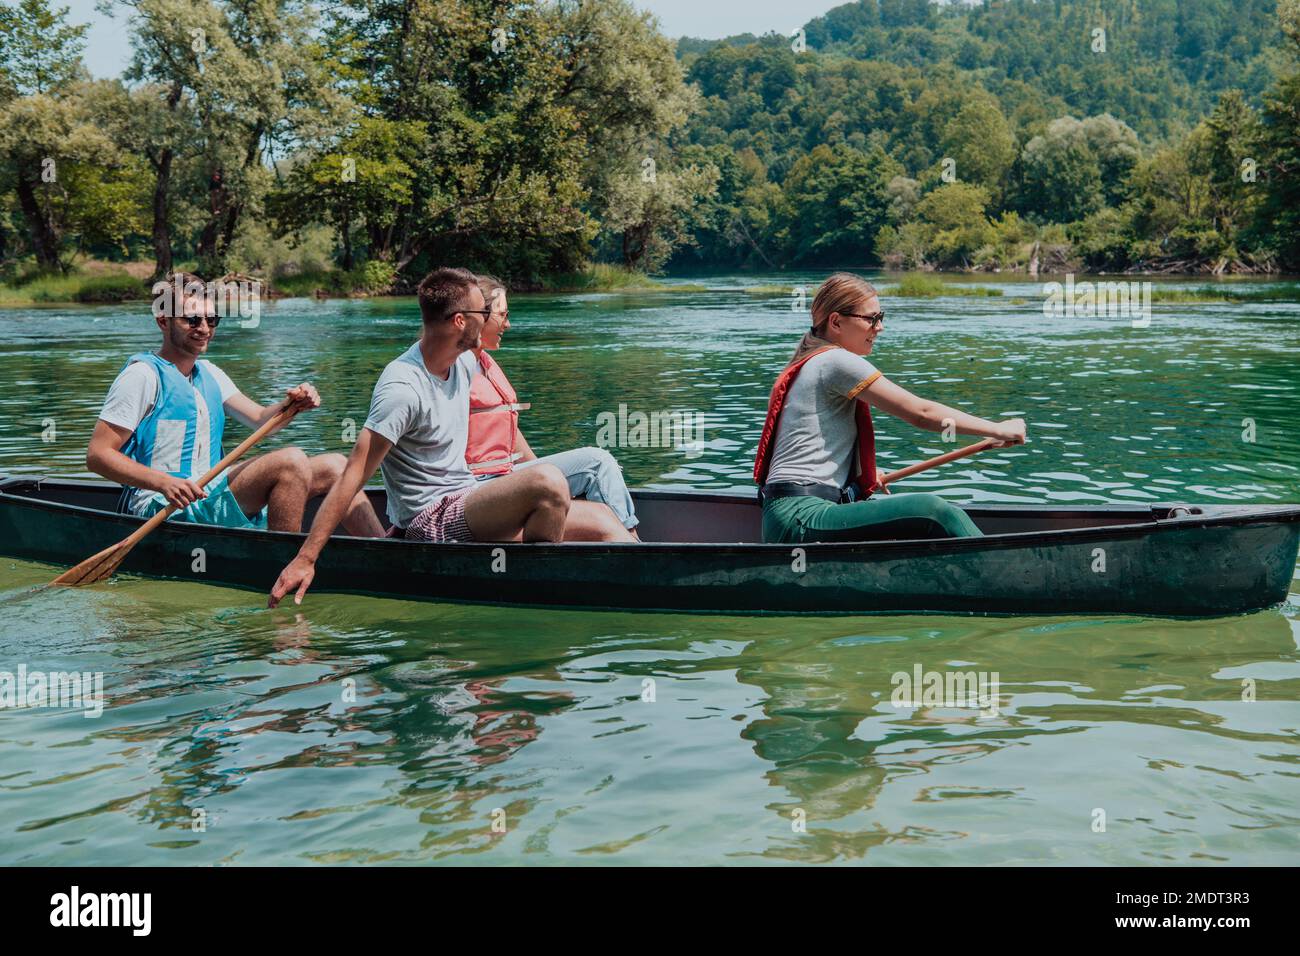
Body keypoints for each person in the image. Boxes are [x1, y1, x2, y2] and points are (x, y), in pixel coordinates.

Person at [269, 267, 633, 608]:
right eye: (482, 312)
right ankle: (530, 589)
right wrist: (306, 557)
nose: (490, 318)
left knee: (603, 519)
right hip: (429, 520)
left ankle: (635, 590)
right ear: (460, 322)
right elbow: (353, 474)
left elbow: (453, 323)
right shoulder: (402, 388)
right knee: (548, 482)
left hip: (467, 497)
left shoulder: (465, 360)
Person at [87, 271, 383, 536]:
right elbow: (98, 455)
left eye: (211, 319)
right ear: (163, 321)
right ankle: (281, 568)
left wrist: (291, 404)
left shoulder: (211, 374)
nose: (204, 328)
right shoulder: (142, 376)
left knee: (337, 466)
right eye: (192, 319)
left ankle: (387, 552)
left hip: (205, 496)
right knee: (290, 461)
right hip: (160, 507)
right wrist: (164, 483)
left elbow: (260, 420)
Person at [754, 272, 1026, 544]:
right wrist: (999, 429)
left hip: (792, 514)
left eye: (881, 317)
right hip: (801, 515)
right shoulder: (835, 361)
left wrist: (858, 482)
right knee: (934, 512)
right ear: (836, 322)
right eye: (871, 319)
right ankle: (1009, 572)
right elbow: (921, 413)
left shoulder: (814, 361)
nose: (880, 327)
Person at [467, 274, 639, 536]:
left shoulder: (485, 362)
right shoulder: (456, 370)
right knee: (597, 462)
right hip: (482, 486)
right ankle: (633, 545)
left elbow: (508, 432)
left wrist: (545, 473)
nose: (508, 324)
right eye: (503, 315)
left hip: (505, 474)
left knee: (600, 463)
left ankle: (629, 542)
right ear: (480, 316)